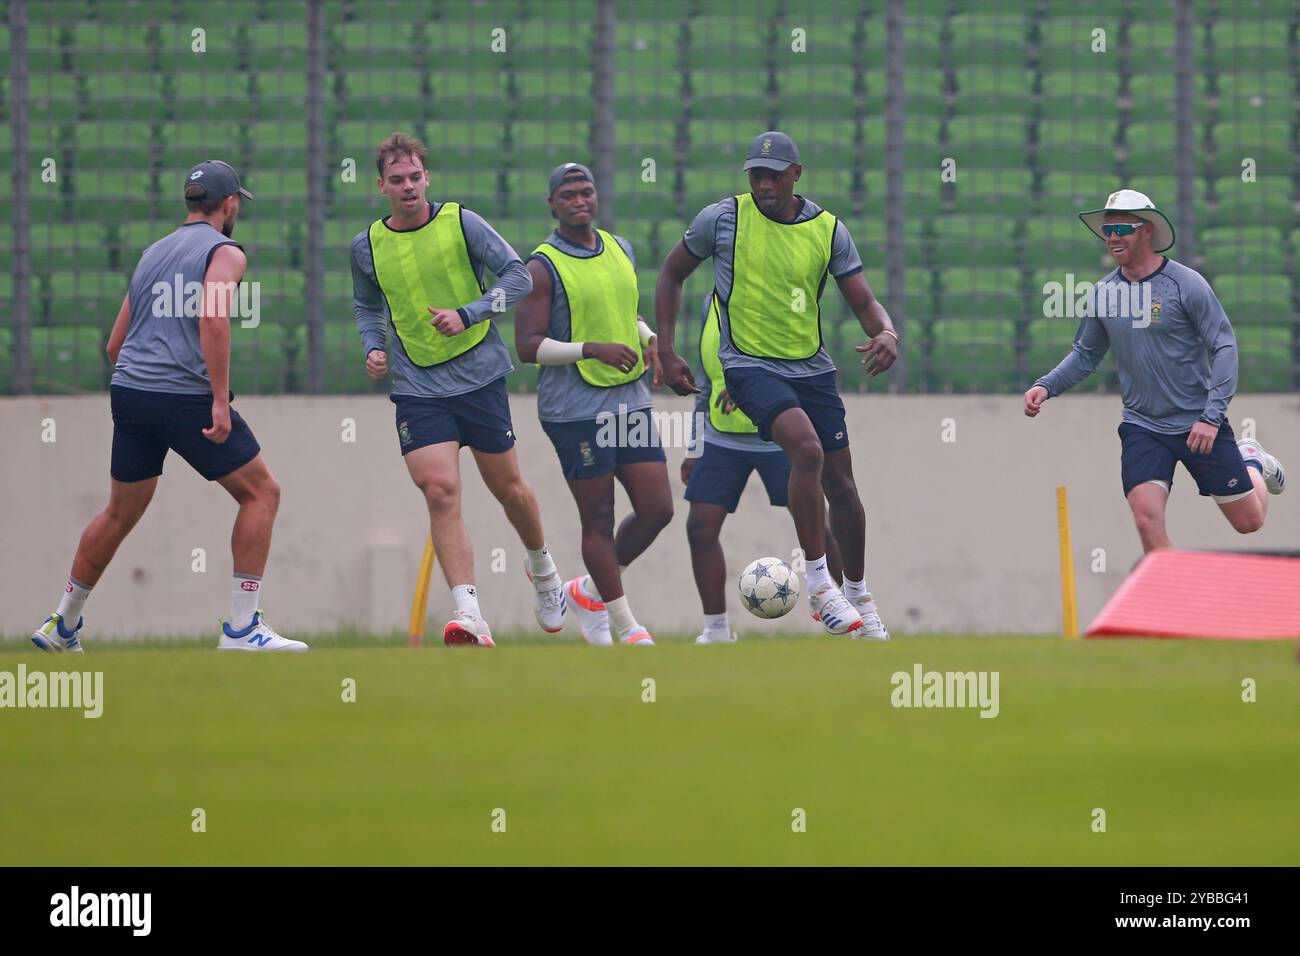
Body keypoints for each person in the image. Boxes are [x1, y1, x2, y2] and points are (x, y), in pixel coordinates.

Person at [32, 160, 305, 653]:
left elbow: (114, 346)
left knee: (119, 512)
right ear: (229, 204)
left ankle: (62, 624)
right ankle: (242, 628)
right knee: (262, 493)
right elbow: (214, 321)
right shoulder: (225, 251)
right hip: (183, 394)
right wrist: (218, 400)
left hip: (130, 391)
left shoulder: (152, 253)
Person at [654, 131, 897, 638]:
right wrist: (668, 350)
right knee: (806, 451)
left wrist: (886, 332)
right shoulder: (722, 219)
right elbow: (671, 274)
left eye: (774, 175)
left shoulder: (829, 230)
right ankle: (820, 586)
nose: (764, 184)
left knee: (843, 487)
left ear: (796, 174)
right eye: (756, 175)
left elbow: (864, 301)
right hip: (748, 367)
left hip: (812, 369)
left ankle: (858, 594)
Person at [351, 132, 566, 646]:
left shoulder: (461, 222)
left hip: (479, 378)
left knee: (509, 490)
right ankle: (469, 613)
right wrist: (373, 346)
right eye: (397, 180)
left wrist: (469, 314)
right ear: (381, 186)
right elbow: (367, 305)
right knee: (440, 490)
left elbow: (518, 278)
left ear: (427, 177)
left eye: (415, 177)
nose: (408, 186)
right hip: (418, 386)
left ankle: (542, 569)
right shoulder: (366, 246)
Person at [1025, 188, 1286, 552]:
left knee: (1249, 522)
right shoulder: (1102, 293)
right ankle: (1171, 588)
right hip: (1142, 426)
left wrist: (1212, 417)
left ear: (1147, 230)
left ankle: (1253, 460)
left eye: (1122, 229)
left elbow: (1224, 347)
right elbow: (1085, 355)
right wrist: (1046, 386)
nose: (1112, 237)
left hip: (1198, 423)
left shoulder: (1187, 284)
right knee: (1147, 521)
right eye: (1107, 230)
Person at [515, 162, 669, 646]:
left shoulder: (620, 248)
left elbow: (624, 312)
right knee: (598, 518)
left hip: (629, 399)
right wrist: (590, 349)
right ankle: (626, 625)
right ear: (553, 204)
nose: (580, 200)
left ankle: (588, 593)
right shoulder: (541, 267)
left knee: (658, 509)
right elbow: (527, 346)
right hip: (575, 409)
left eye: (586, 191)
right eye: (568, 195)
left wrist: (649, 338)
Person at [682, 292, 857, 643]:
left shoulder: (776, 295)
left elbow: (801, 367)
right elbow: (705, 378)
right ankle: (715, 630)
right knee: (700, 527)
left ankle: (850, 611)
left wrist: (751, 390)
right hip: (722, 437)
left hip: (779, 437)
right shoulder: (710, 306)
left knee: (818, 527)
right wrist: (694, 445)